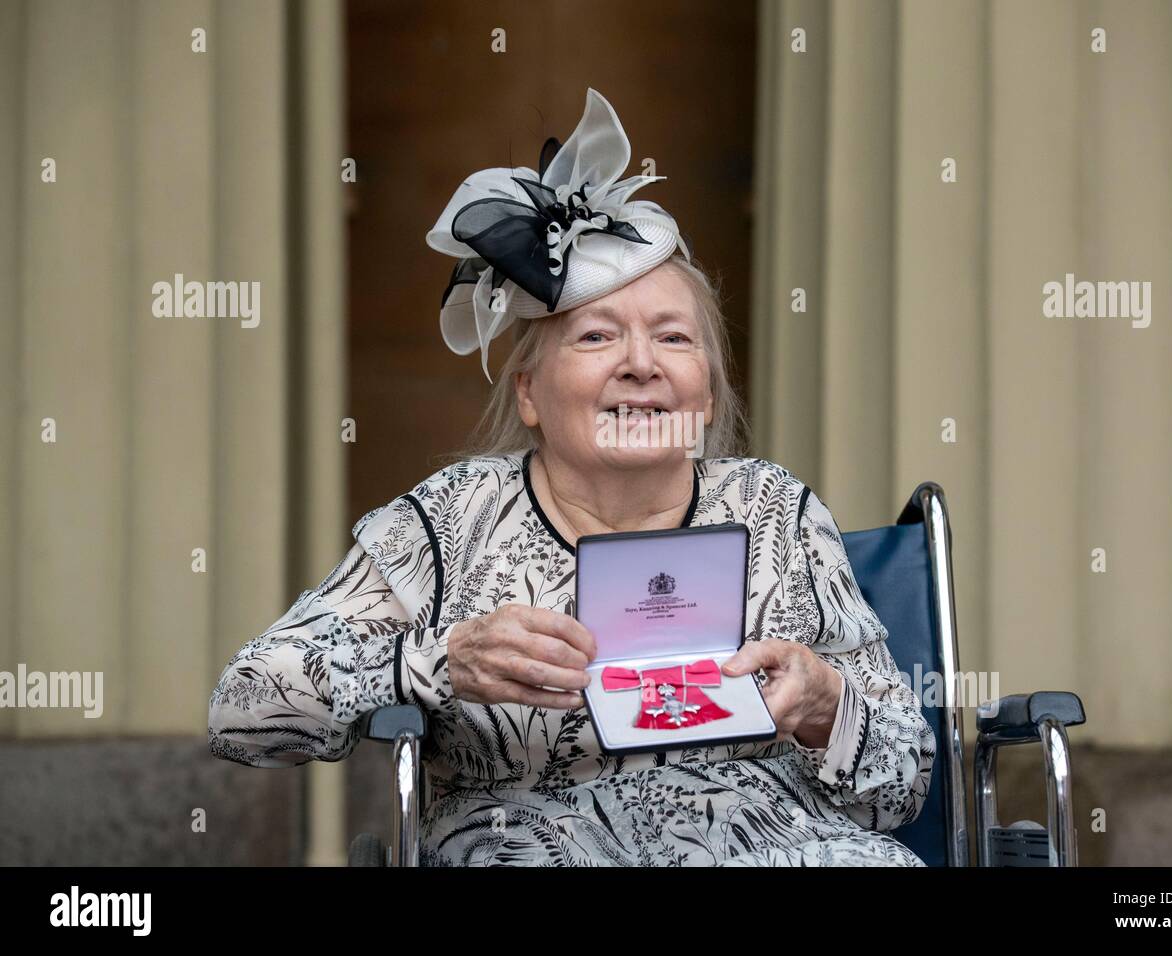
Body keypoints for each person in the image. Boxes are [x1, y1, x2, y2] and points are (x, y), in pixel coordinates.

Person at [208, 88, 935, 866]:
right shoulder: (448, 522)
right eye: (597, 336)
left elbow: (901, 788)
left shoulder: (777, 510)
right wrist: (435, 663)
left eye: (674, 338)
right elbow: (242, 711)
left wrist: (827, 707)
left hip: (775, 843)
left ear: (709, 387)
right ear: (528, 392)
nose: (641, 365)